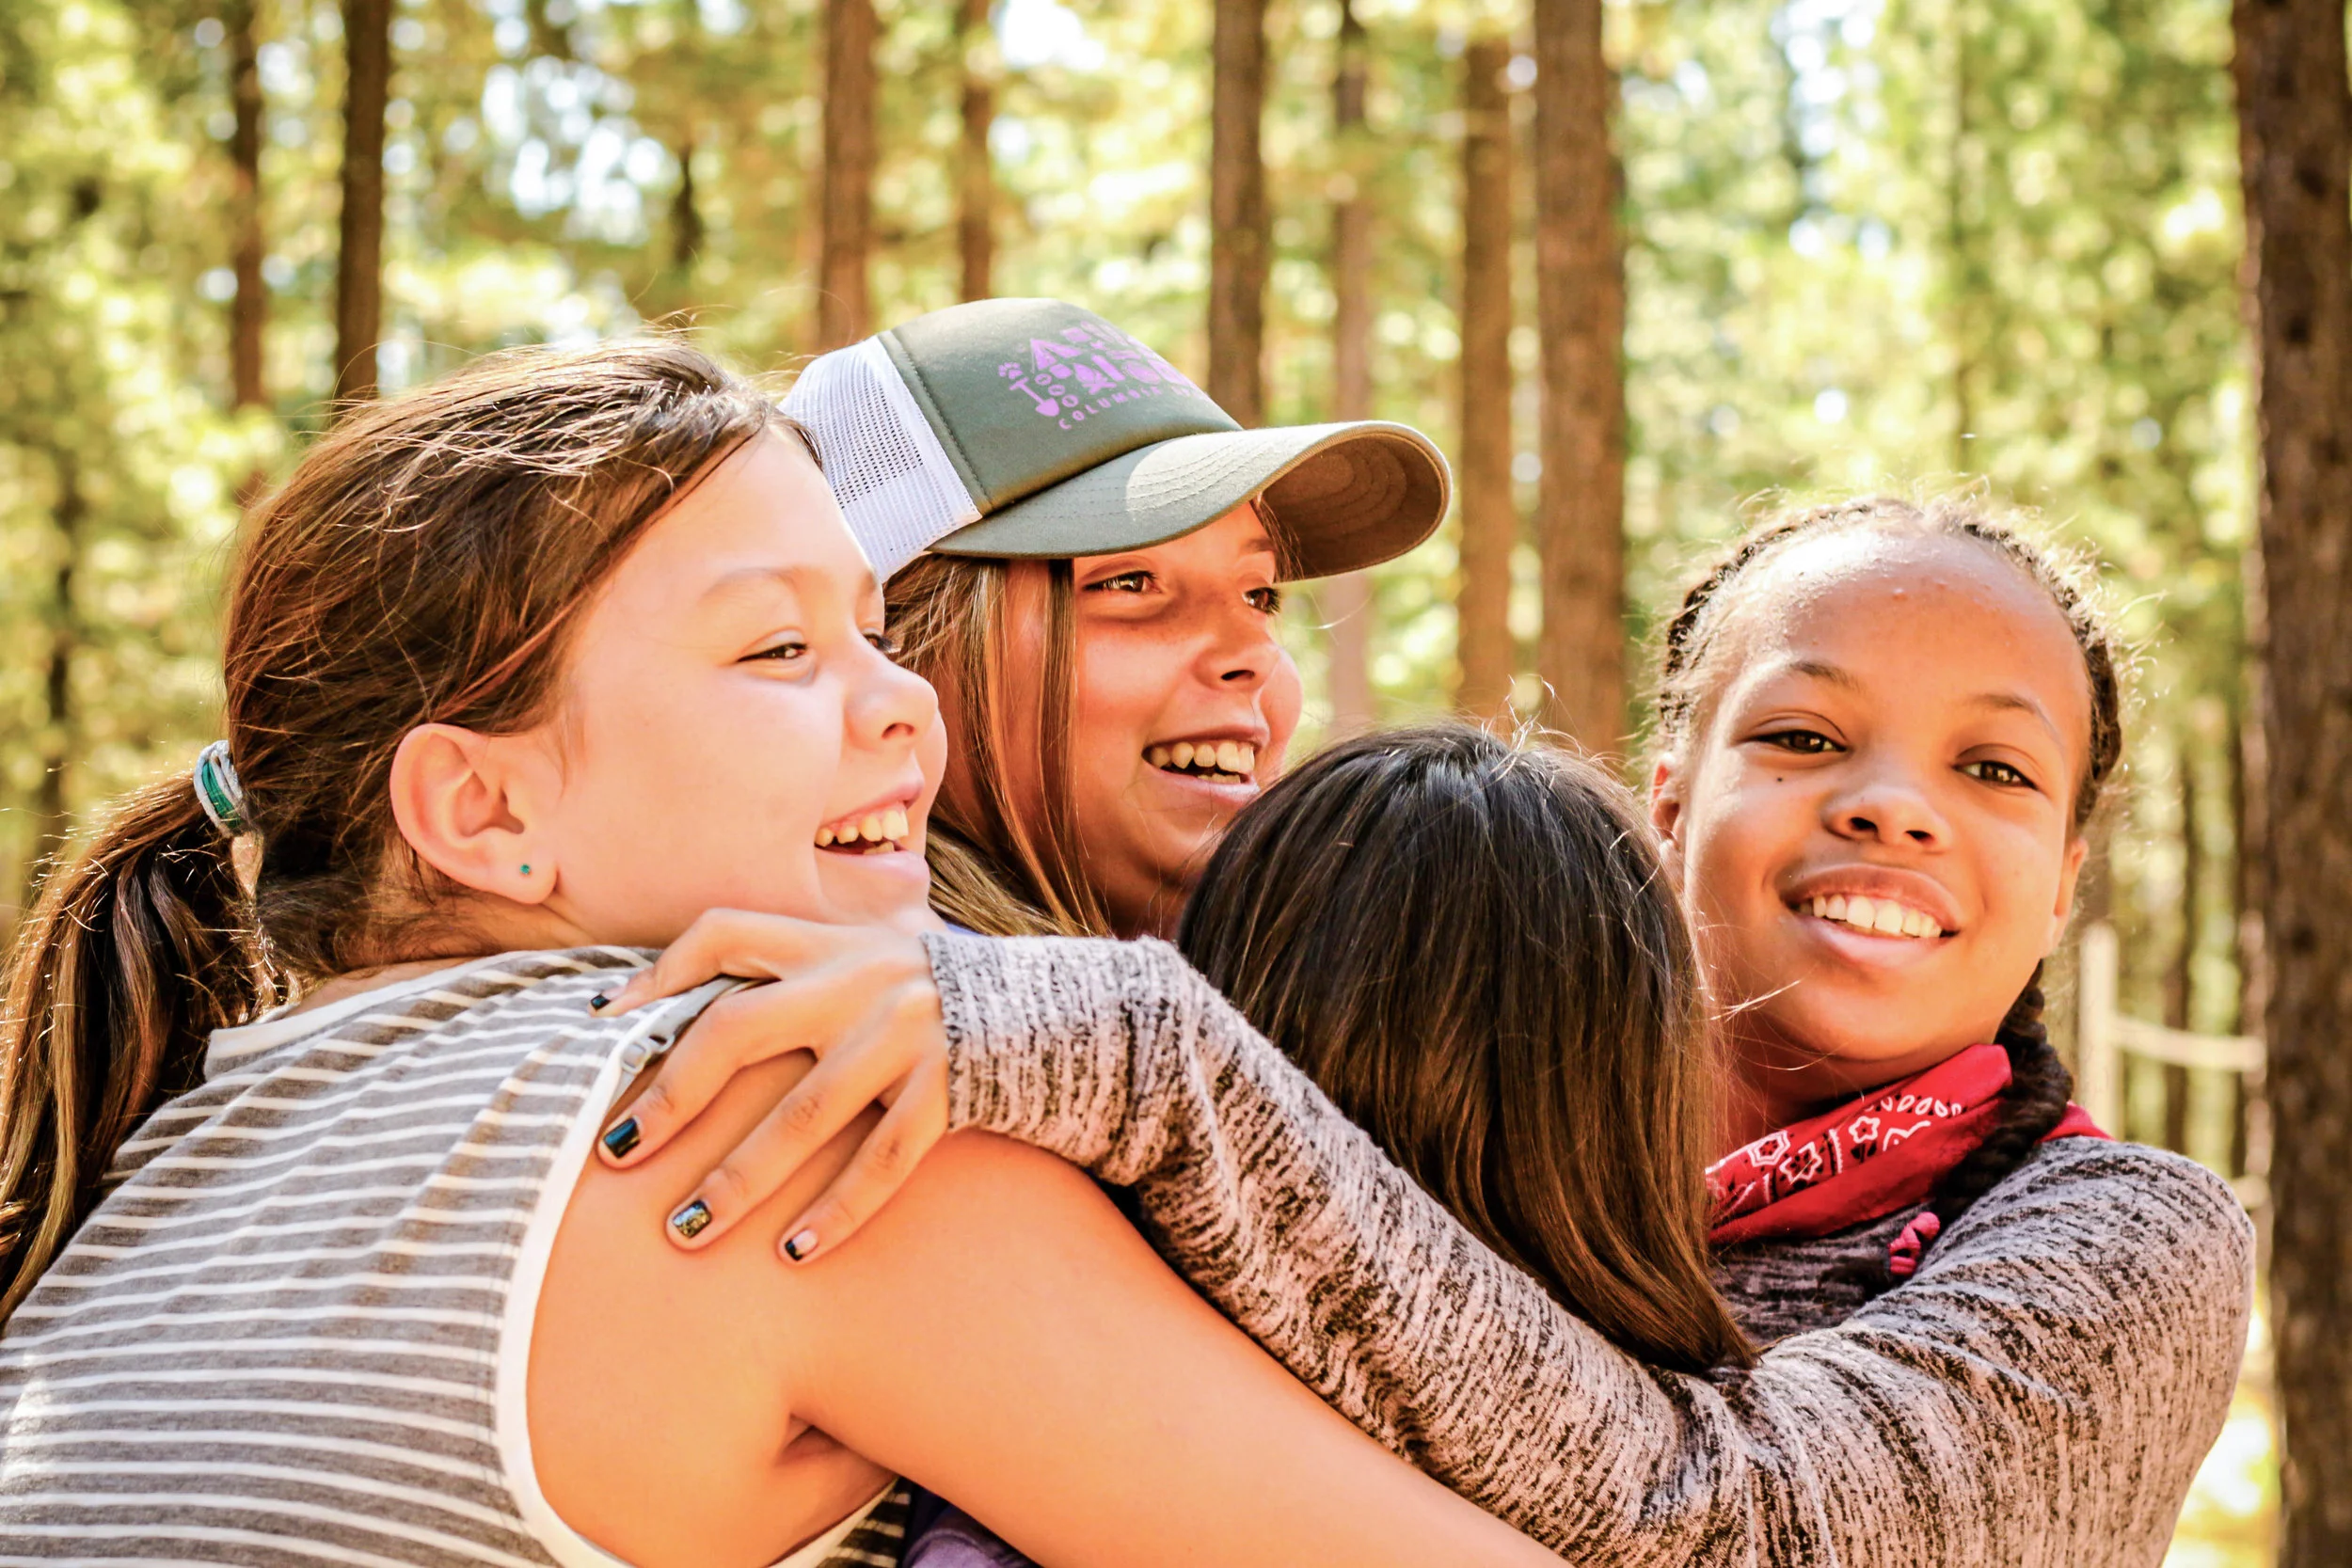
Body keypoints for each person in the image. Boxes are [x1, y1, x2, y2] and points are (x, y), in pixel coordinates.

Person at [0, 340, 1564, 1568]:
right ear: (482, 807)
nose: (904, 709)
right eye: (778, 649)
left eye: (875, 631)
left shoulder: (153, 1165)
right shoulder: (773, 1119)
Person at [612, 496, 2254, 1565]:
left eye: (1999, 770)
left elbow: (1758, 1525)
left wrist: (1150, 1050)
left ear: (2065, 884)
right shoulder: (1399, 1091)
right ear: (1672, 800)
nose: (1894, 806)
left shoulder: (2120, 1239)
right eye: (1808, 733)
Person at [780, 295, 1451, 938]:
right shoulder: (864, 1022)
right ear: (885, 647)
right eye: (1130, 582)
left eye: (1260, 594)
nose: (1254, 653)